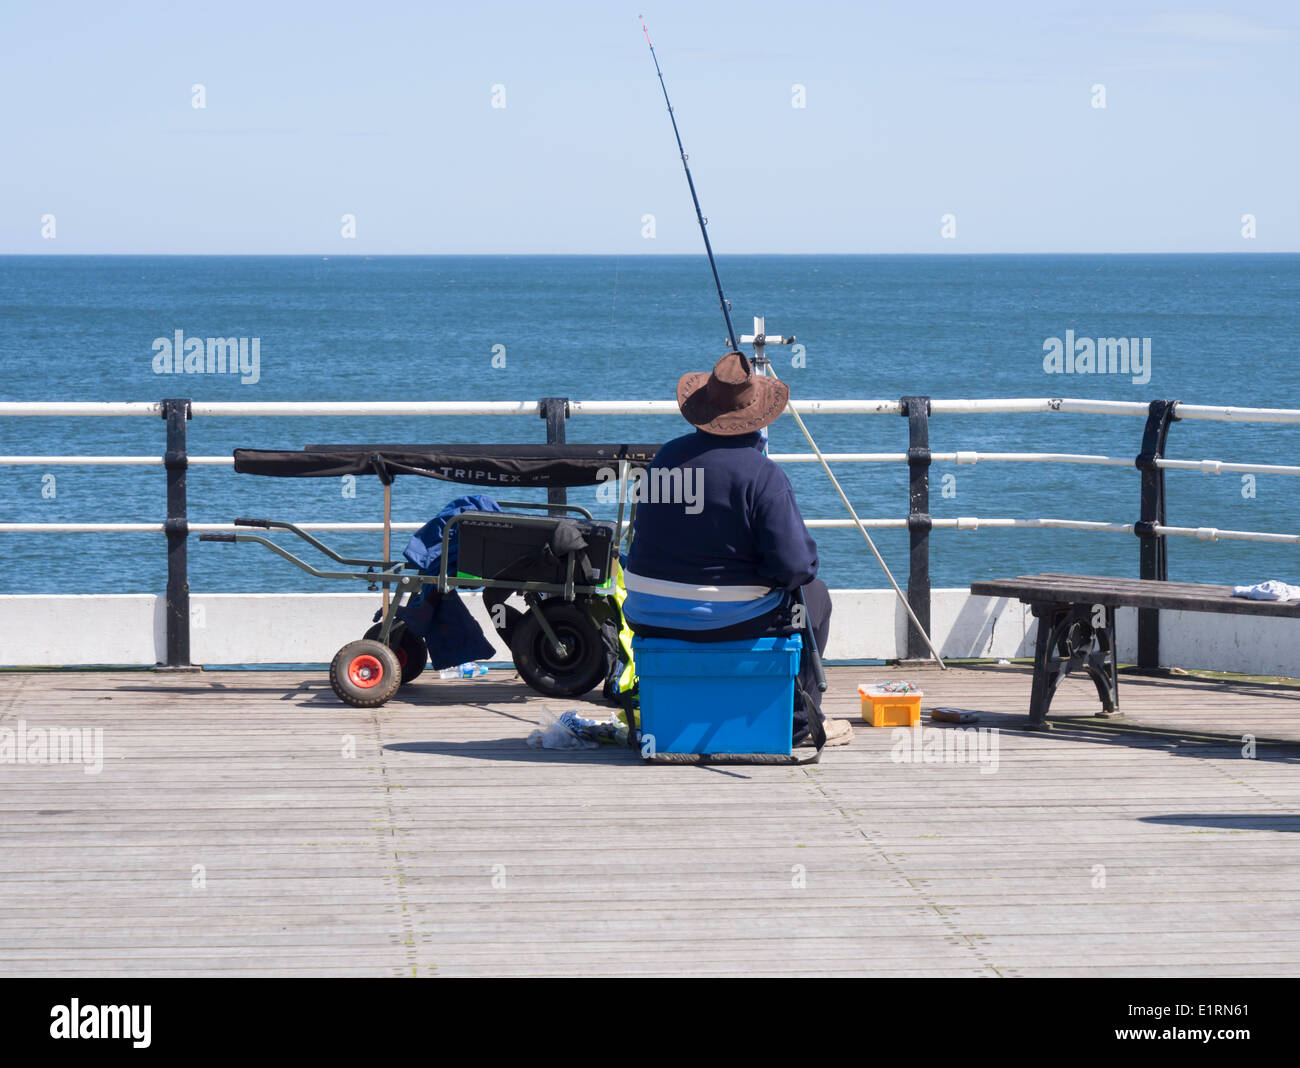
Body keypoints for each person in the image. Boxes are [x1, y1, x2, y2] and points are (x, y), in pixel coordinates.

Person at [623, 350, 851, 747]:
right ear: (759, 422)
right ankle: (798, 723)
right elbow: (795, 568)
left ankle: (679, 708)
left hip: (648, 615)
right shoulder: (764, 475)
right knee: (815, 596)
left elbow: (646, 531)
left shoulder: (664, 459)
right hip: (727, 623)